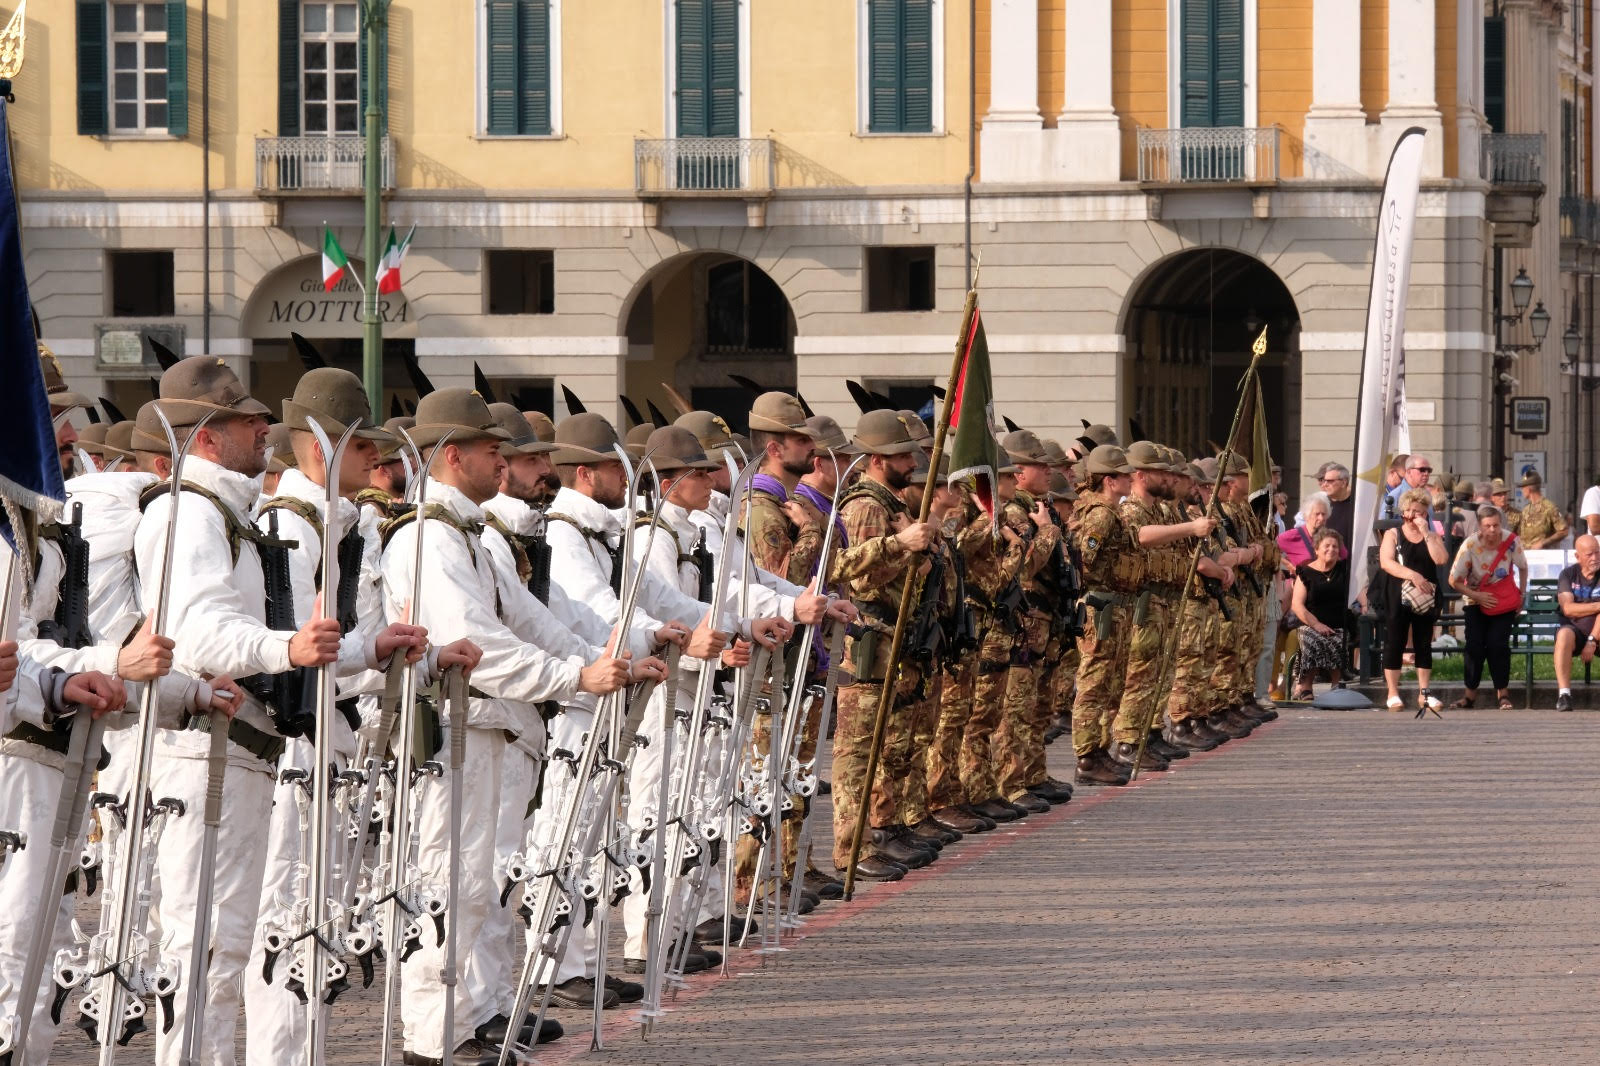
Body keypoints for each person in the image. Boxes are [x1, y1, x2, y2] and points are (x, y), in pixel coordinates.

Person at [1447, 505, 1527, 710]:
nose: (1493, 530)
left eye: (1496, 525)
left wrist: (1522, 595)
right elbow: (1453, 580)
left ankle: (1503, 695)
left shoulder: (1510, 541)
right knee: (1474, 647)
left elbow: (1523, 567)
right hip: (1475, 599)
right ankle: (1469, 696)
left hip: (1502, 600)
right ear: (1480, 527)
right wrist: (1477, 596)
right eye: (1488, 526)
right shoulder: (1470, 545)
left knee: (1497, 645)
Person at [1379, 488, 1449, 713]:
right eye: (1408, 510)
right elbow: (1386, 562)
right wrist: (1413, 575)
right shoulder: (1393, 534)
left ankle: (1424, 693)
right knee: (1395, 642)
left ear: (1425, 513)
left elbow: (1441, 559)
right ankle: (1392, 692)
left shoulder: (1432, 535)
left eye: (1417, 511)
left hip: (1425, 596)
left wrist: (1426, 533)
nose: (1411, 515)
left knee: (1423, 643)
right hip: (1398, 592)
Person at [1289, 528, 1350, 697]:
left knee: (1339, 637)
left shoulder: (1345, 569)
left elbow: (1360, 593)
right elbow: (1297, 605)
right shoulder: (1305, 572)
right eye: (1327, 546)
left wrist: (1366, 605)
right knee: (1313, 639)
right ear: (1316, 549)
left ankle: (1337, 686)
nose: (1331, 549)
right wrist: (1316, 624)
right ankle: (1306, 687)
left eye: (1335, 546)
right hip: (1311, 624)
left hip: (1338, 623)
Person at [1553, 534, 1600, 712]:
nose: (1595, 558)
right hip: (1574, 631)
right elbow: (1568, 609)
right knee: (1564, 635)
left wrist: (1592, 640)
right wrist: (1597, 605)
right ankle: (1564, 695)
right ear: (1578, 556)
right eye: (1589, 554)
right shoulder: (1568, 575)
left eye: (1597, 552)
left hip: (1597, 632)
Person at [1277, 492, 1347, 568]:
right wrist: (1288, 565)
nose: (1321, 518)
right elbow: (1270, 550)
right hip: (1301, 579)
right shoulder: (1292, 536)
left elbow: (1345, 560)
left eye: (1323, 514)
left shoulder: (1332, 538)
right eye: (1317, 514)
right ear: (1306, 515)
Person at [1516, 472, 1569, 549]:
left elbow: (1564, 531)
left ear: (1528, 489)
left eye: (1523, 487)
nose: (1522, 490)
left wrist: (1543, 543)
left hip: (1543, 557)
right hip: (1526, 556)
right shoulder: (1526, 509)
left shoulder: (1549, 507)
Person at [1313, 462, 1355, 547]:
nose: (1324, 485)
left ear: (1343, 483)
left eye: (1330, 481)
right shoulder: (1321, 504)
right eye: (1324, 481)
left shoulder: (1357, 503)